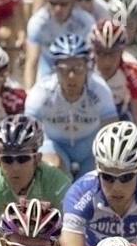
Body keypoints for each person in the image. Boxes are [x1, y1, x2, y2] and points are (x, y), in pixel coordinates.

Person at [0, 114, 70, 246]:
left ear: (37, 159)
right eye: (7, 160)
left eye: (23, 159)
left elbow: (69, 241)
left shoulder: (56, 182)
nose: (15, 167)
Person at [23, 33, 118, 177]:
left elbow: (111, 131)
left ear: (87, 67)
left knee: (99, 174)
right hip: (56, 144)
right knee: (53, 168)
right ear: (55, 69)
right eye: (64, 70)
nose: (71, 76)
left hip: (89, 147)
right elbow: (28, 133)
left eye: (78, 69)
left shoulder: (99, 89)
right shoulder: (42, 92)